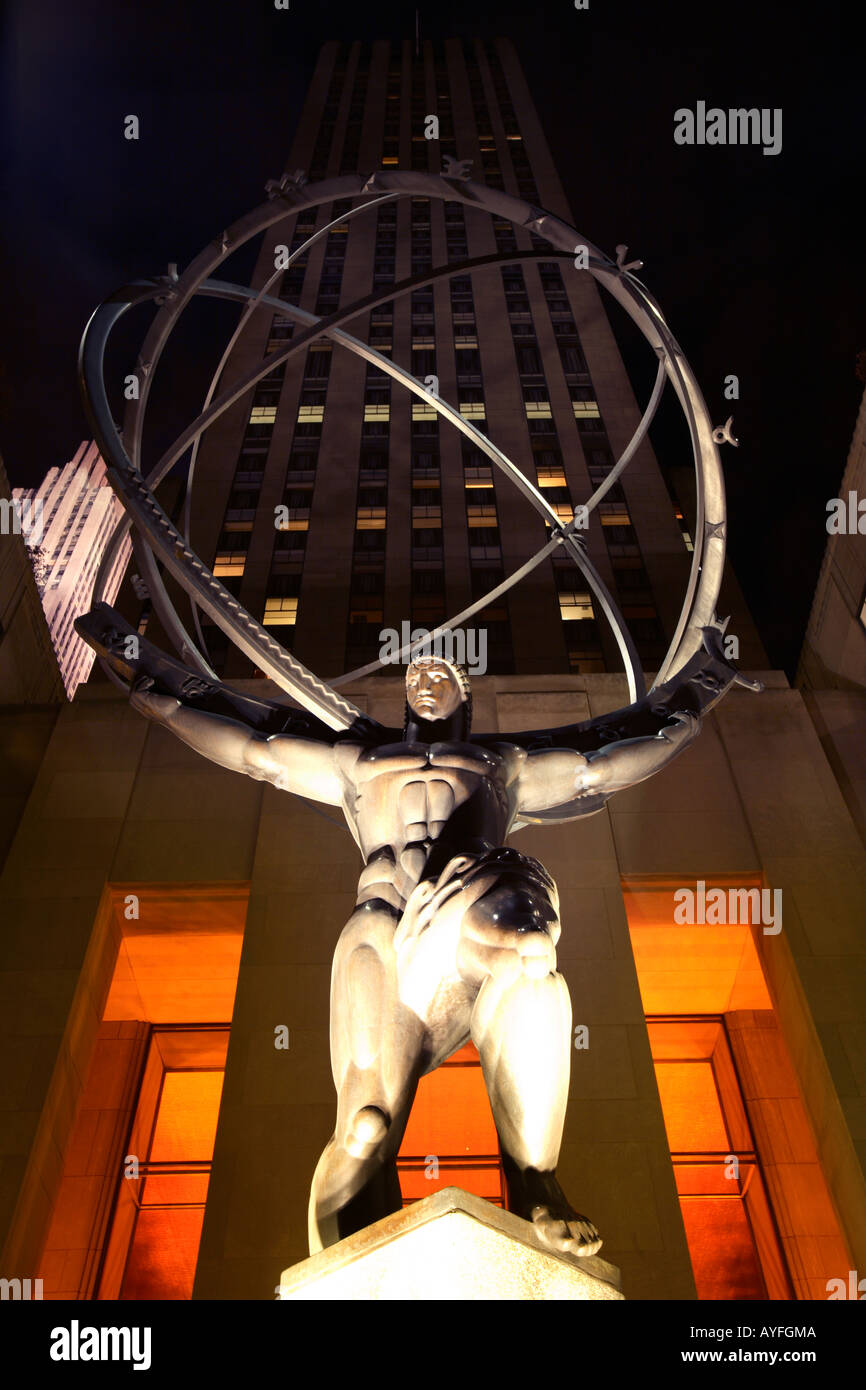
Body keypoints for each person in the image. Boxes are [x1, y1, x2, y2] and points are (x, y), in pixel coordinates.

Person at [129, 646, 713, 1259]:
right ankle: (349, 1256)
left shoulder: (501, 761)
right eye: (414, 676)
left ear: (467, 695)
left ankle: (536, 1181)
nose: (424, 684)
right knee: (365, 1125)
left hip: (464, 906)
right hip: (384, 925)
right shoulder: (357, 758)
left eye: (439, 675)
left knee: (531, 951)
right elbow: (257, 750)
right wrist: (169, 708)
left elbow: (600, 764)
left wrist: (692, 709)